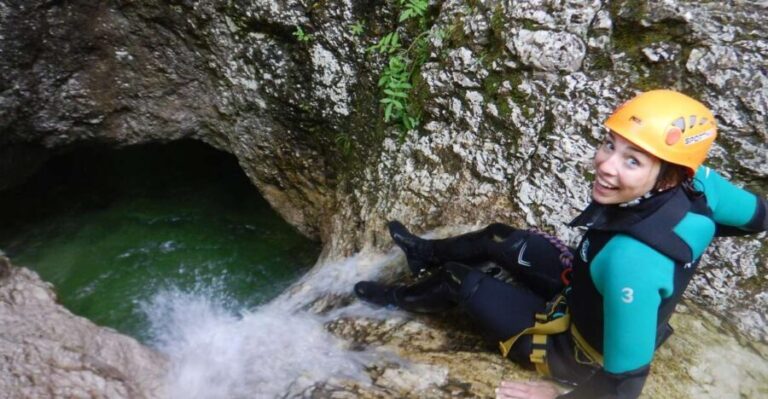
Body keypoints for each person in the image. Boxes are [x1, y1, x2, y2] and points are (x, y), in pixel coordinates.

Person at [354, 90, 768, 399]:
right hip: (584, 292)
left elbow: (624, 385)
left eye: (632, 160)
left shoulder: (631, 263)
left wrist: (559, 394)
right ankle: (422, 253)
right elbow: (758, 219)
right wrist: (694, 235)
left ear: (669, 177)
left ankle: (392, 299)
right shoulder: (702, 186)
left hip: (575, 350)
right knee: (500, 237)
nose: (605, 165)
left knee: (457, 281)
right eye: (610, 145)